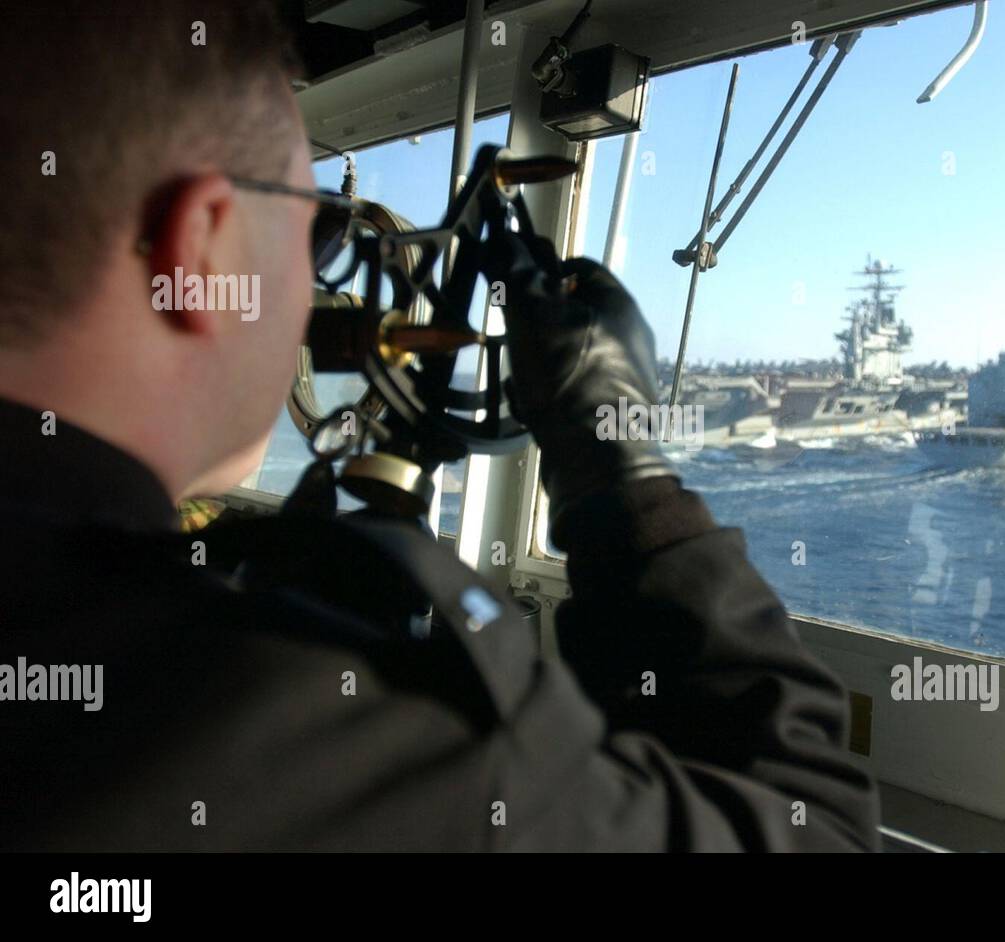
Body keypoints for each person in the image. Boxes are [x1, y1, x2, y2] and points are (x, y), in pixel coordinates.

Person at [0, 0, 879, 851]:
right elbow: (820, 830)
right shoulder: (335, 733)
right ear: (203, 253)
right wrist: (619, 467)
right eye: (316, 232)